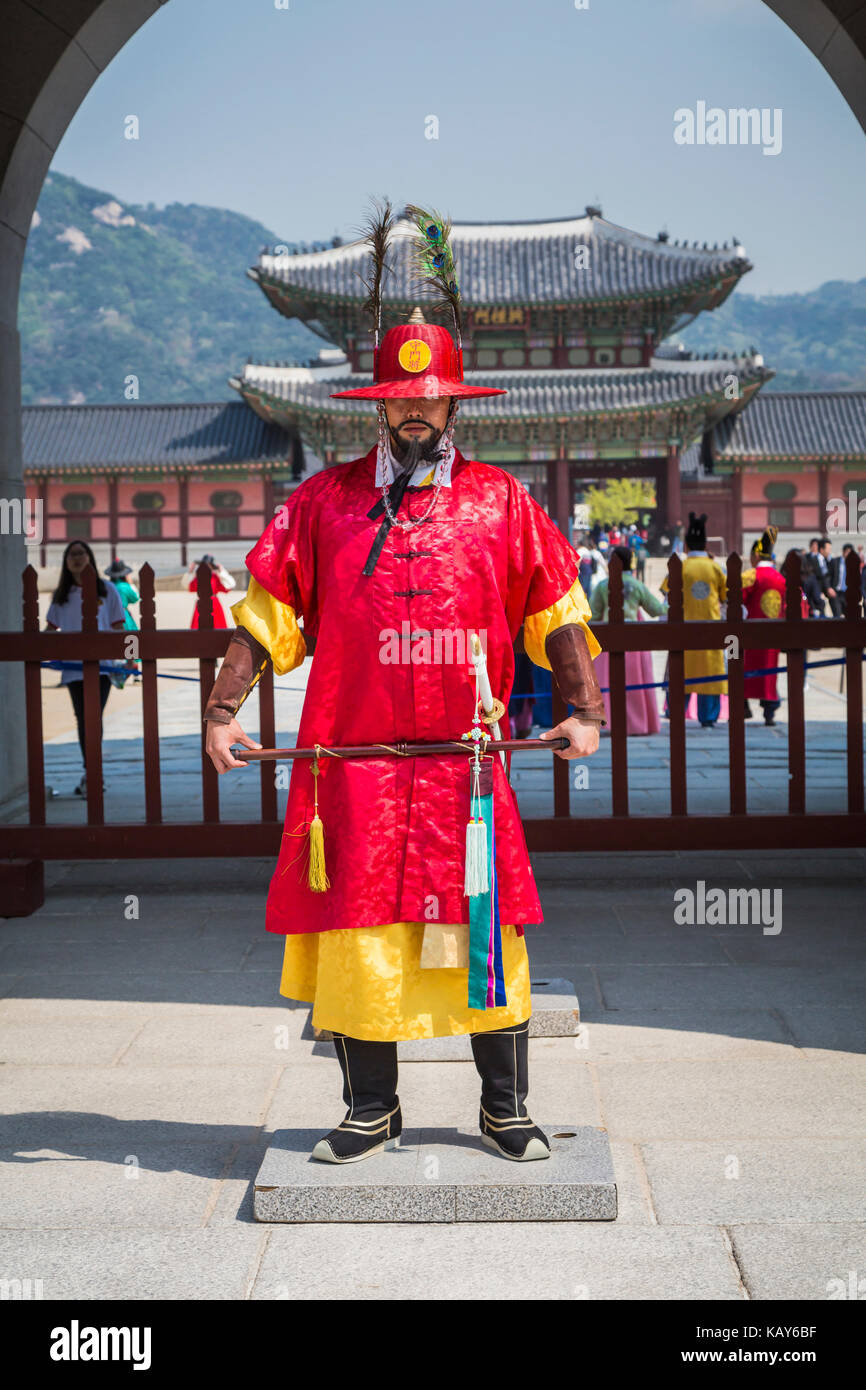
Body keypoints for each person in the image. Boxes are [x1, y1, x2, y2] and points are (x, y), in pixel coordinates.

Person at [201, 205, 605, 1165]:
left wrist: (585, 708)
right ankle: (368, 1109)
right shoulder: (323, 503)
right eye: (398, 400)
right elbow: (266, 615)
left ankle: (504, 1107)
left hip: (465, 767)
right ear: (377, 404)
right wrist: (222, 708)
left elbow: (558, 610)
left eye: (430, 401)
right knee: (362, 942)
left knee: (483, 934)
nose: (414, 413)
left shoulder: (502, 503)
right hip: (357, 767)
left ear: (454, 405)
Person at [44, 540, 126, 794]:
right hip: (73, 669)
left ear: (90, 558)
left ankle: (94, 773)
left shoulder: (108, 590)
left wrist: (130, 659)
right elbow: (49, 632)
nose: (77, 558)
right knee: (82, 718)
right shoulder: (61, 595)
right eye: (72, 555)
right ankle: (90, 772)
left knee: (94, 717)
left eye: (81, 553)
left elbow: (120, 628)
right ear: (66, 562)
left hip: (102, 667)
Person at [590, 544, 667, 735]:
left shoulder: (602, 586)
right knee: (635, 684)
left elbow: (593, 615)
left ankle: (609, 722)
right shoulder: (637, 586)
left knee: (608, 683)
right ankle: (637, 724)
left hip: (608, 641)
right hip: (634, 641)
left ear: (612, 563)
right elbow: (657, 610)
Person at [661, 512, 727, 727]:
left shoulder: (680, 567)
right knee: (710, 672)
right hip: (710, 631)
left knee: (682, 672)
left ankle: (677, 713)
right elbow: (727, 598)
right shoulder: (715, 567)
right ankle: (708, 718)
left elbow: (666, 596)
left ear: (686, 545)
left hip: (683, 631)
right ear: (706, 543)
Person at [741, 526, 807, 725]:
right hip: (773, 633)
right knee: (769, 672)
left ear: (755, 555)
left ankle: (742, 706)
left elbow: (736, 601)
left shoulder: (750, 576)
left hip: (749, 633)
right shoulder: (781, 579)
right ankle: (769, 712)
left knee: (742, 668)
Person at [184, 554, 237, 629]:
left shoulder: (216, 577)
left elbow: (230, 585)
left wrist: (221, 571)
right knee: (199, 629)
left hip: (214, 604)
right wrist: (190, 571)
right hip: (202, 603)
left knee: (217, 627)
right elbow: (187, 586)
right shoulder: (199, 577)